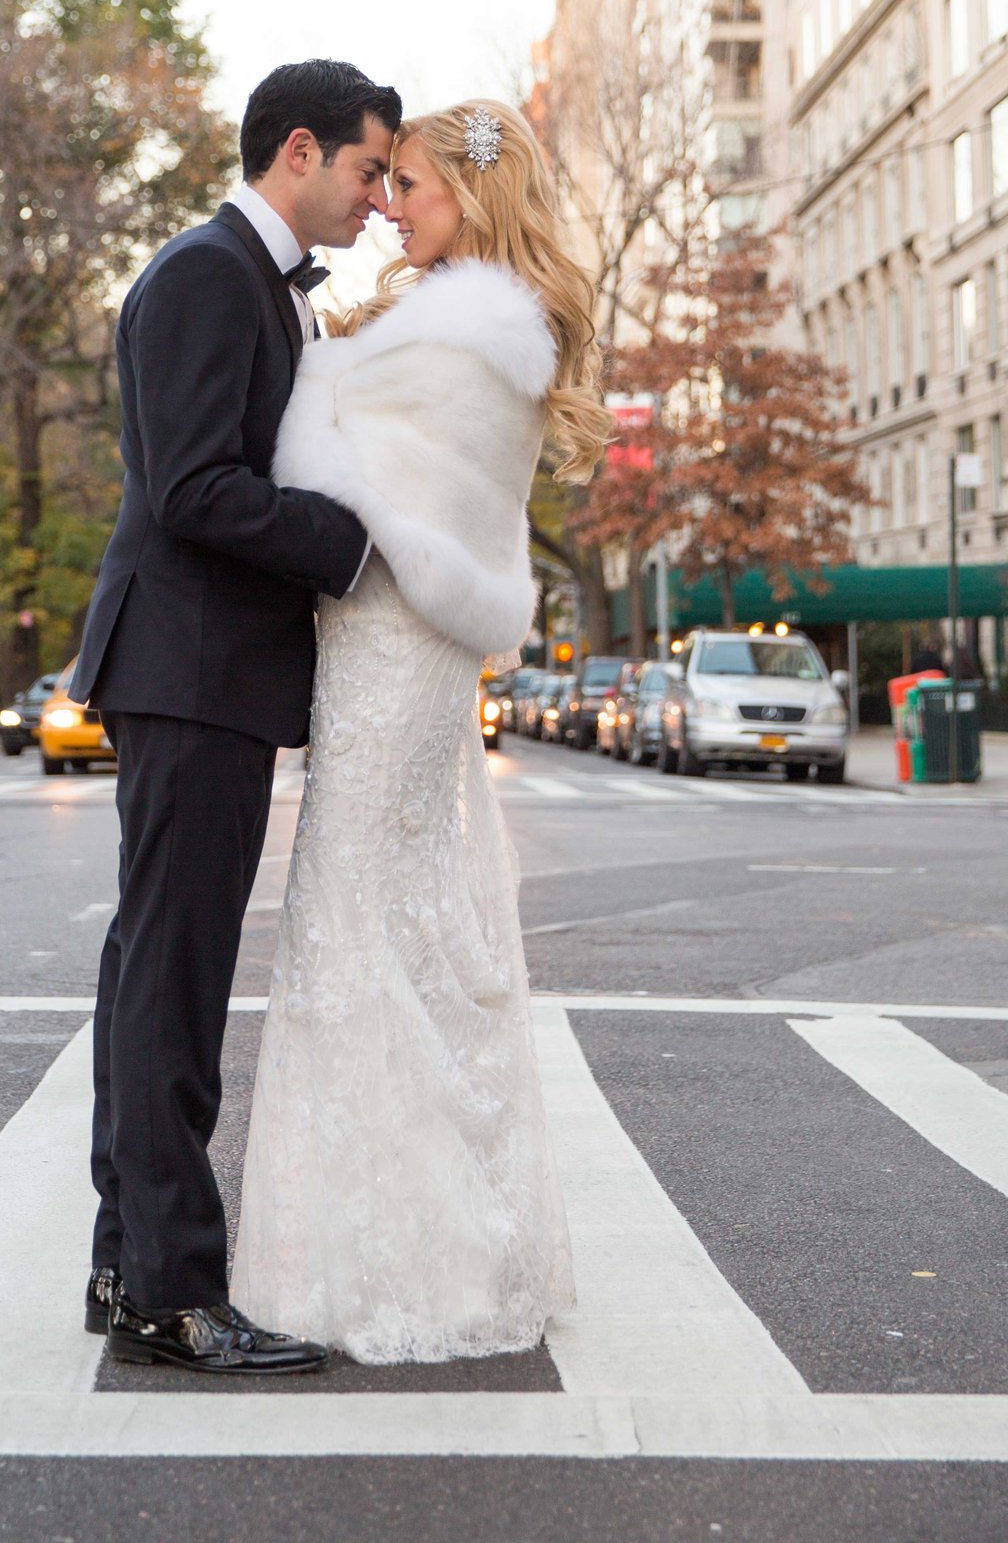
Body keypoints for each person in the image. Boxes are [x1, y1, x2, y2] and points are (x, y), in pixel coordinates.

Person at [232, 101, 608, 1363]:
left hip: (395, 645)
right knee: (391, 920)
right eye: (382, 178)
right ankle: (419, 1231)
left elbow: (318, 464)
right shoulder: (477, 318)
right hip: (396, 650)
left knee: (359, 919)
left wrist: (319, 369)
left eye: (409, 182)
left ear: (468, 191)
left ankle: (390, 1256)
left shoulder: (471, 333)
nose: (389, 202)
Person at [72, 59, 402, 1375]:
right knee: (172, 986)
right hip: (189, 666)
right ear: (302, 150)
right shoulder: (212, 276)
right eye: (370, 169)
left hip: (194, 670)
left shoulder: (240, 280)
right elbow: (196, 488)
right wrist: (360, 536)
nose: (379, 197)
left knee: (153, 973)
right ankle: (172, 1292)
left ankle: (127, 1262)